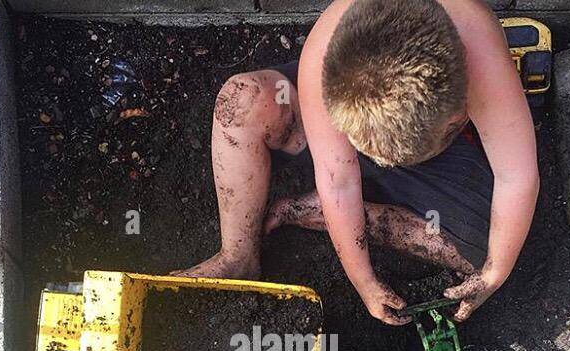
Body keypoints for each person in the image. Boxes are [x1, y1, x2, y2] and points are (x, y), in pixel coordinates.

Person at [174, 0, 539, 325]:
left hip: (433, 148)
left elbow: (516, 175)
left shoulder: (478, 49)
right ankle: (238, 256)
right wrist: (363, 281)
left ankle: (319, 212)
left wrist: (494, 272)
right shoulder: (322, 57)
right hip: (336, 135)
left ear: (458, 109)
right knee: (242, 102)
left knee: (491, 245)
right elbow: (339, 181)